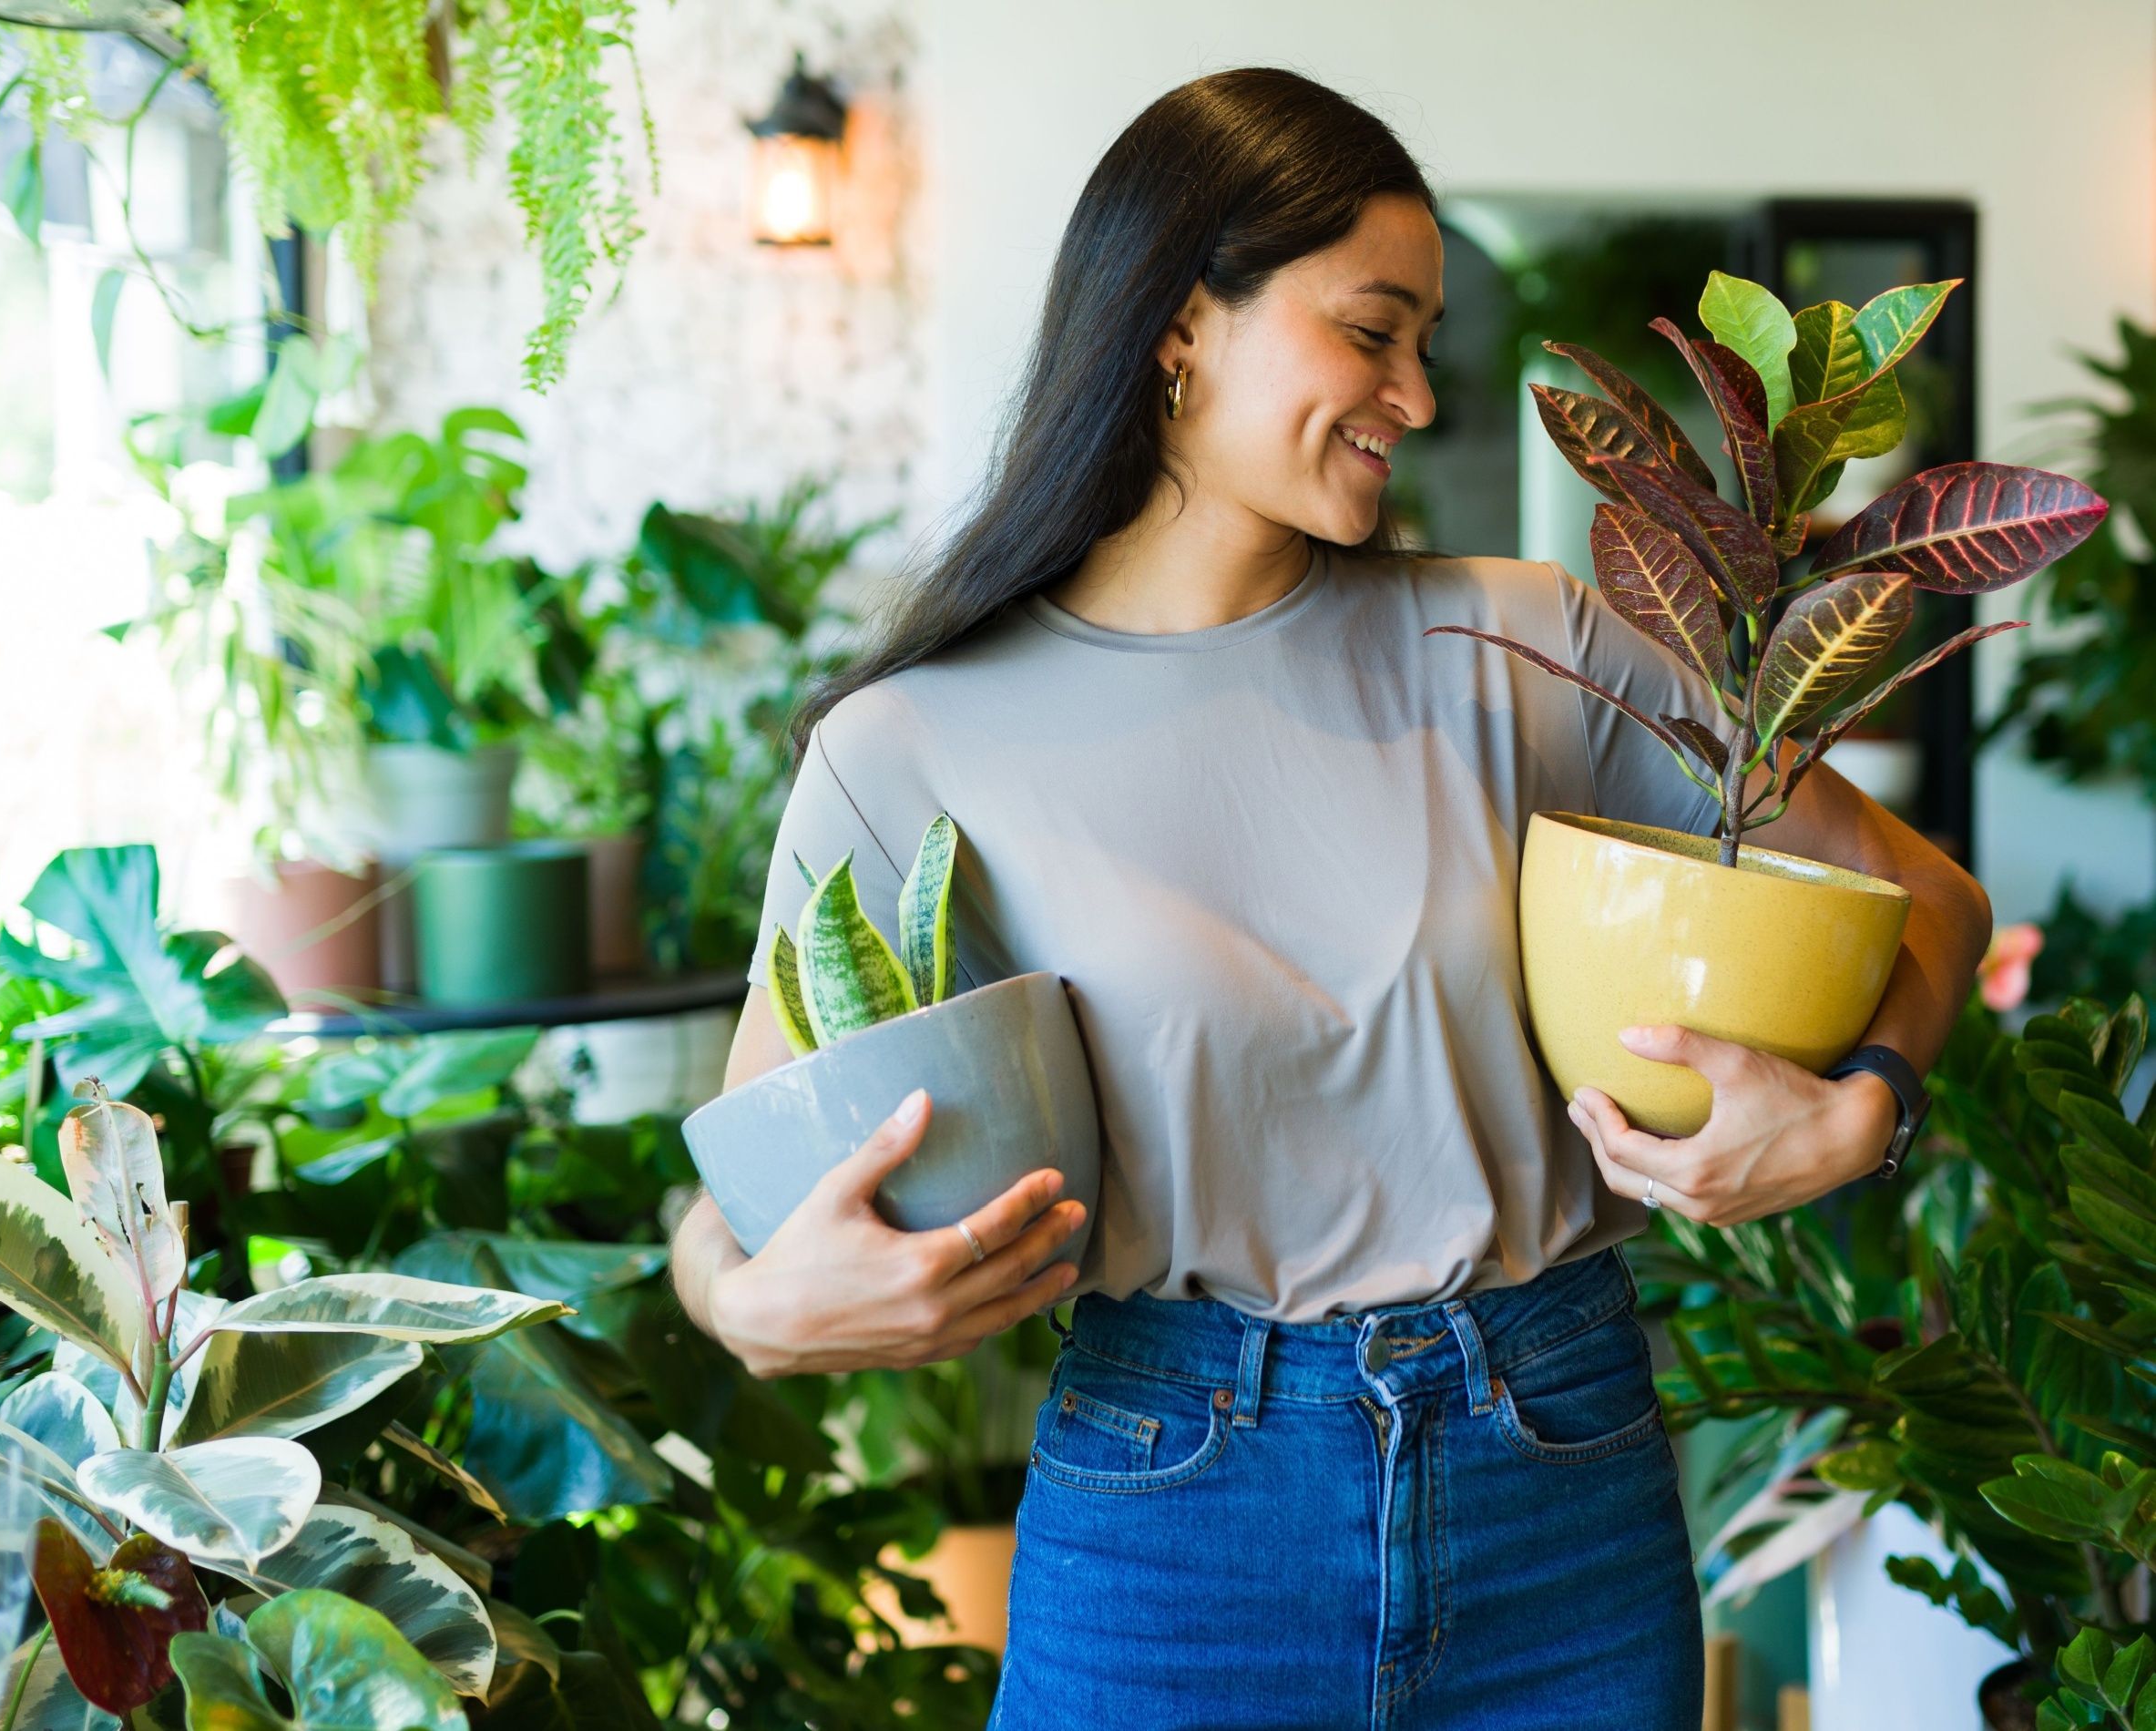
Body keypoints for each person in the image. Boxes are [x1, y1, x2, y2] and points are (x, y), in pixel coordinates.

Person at [668, 66, 1993, 1729]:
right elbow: (734, 1199)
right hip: (1173, 1520)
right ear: (1179, 327)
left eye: (1424, 345)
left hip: (1558, 1485)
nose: (1418, 398)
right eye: (1372, 333)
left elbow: (1925, 900)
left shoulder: (1523, 645)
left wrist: (1863, 1110)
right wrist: (755, 1308)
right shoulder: (914, 745)